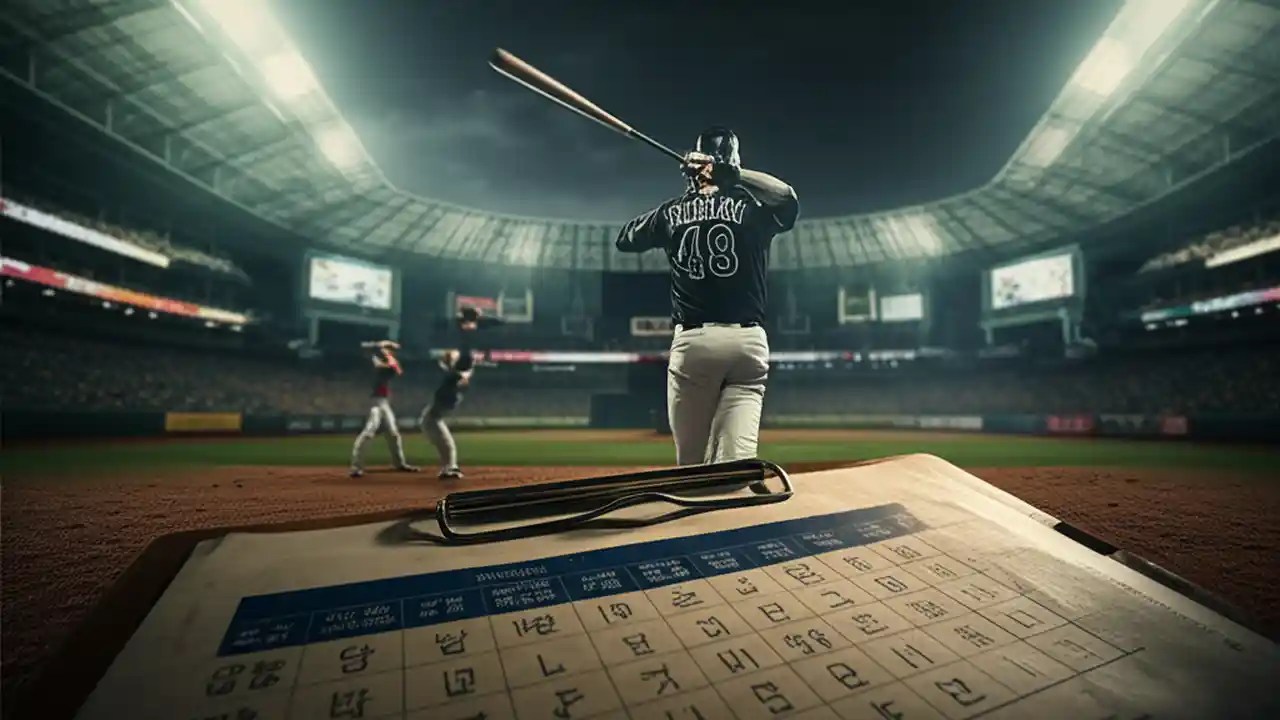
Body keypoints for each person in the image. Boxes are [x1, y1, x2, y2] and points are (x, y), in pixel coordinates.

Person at [616, 126, 799, 466]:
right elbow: (787, 198)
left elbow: (625, 239)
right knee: (735, 462)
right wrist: (735, 175)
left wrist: (681, 204)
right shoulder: (754, 209)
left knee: (693, 465)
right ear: (734, 163)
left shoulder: (670, 213)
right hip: (748, 344)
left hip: (695, 343)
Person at [419, 307, 496, 479]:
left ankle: (450, 466)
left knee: (429, 422)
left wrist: (470, 321)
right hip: (452, 392)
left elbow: (463, 355)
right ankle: (450, 465)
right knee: (430, 421)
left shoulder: (463, 357)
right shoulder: (463, 360)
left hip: (449, 392)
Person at [349, 340, 419, 477]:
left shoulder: (385, 362)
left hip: (383, 401)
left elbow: (397, 370)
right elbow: (363, 347)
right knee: (369, 432)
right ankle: (355, 467)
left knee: (393, 434)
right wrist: (381, 345)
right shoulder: (374, 360)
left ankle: (399, 463)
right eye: (388, 349)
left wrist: (387, 352)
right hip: (374, 401)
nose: (390, 351)